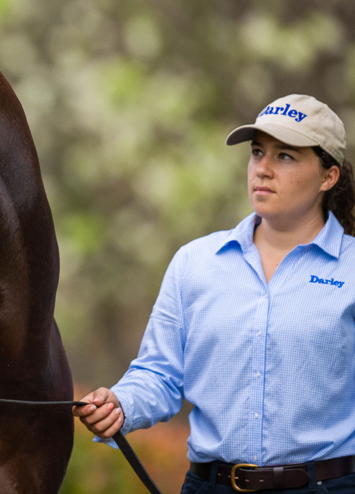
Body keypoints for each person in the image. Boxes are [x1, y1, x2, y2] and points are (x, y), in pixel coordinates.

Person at [73, 94, 355, 493]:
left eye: (285, 157)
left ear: (328, 177)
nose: (263, 169)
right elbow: (160, 374)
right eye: (258, 153)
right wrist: (120, 405)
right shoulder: (195, 262)